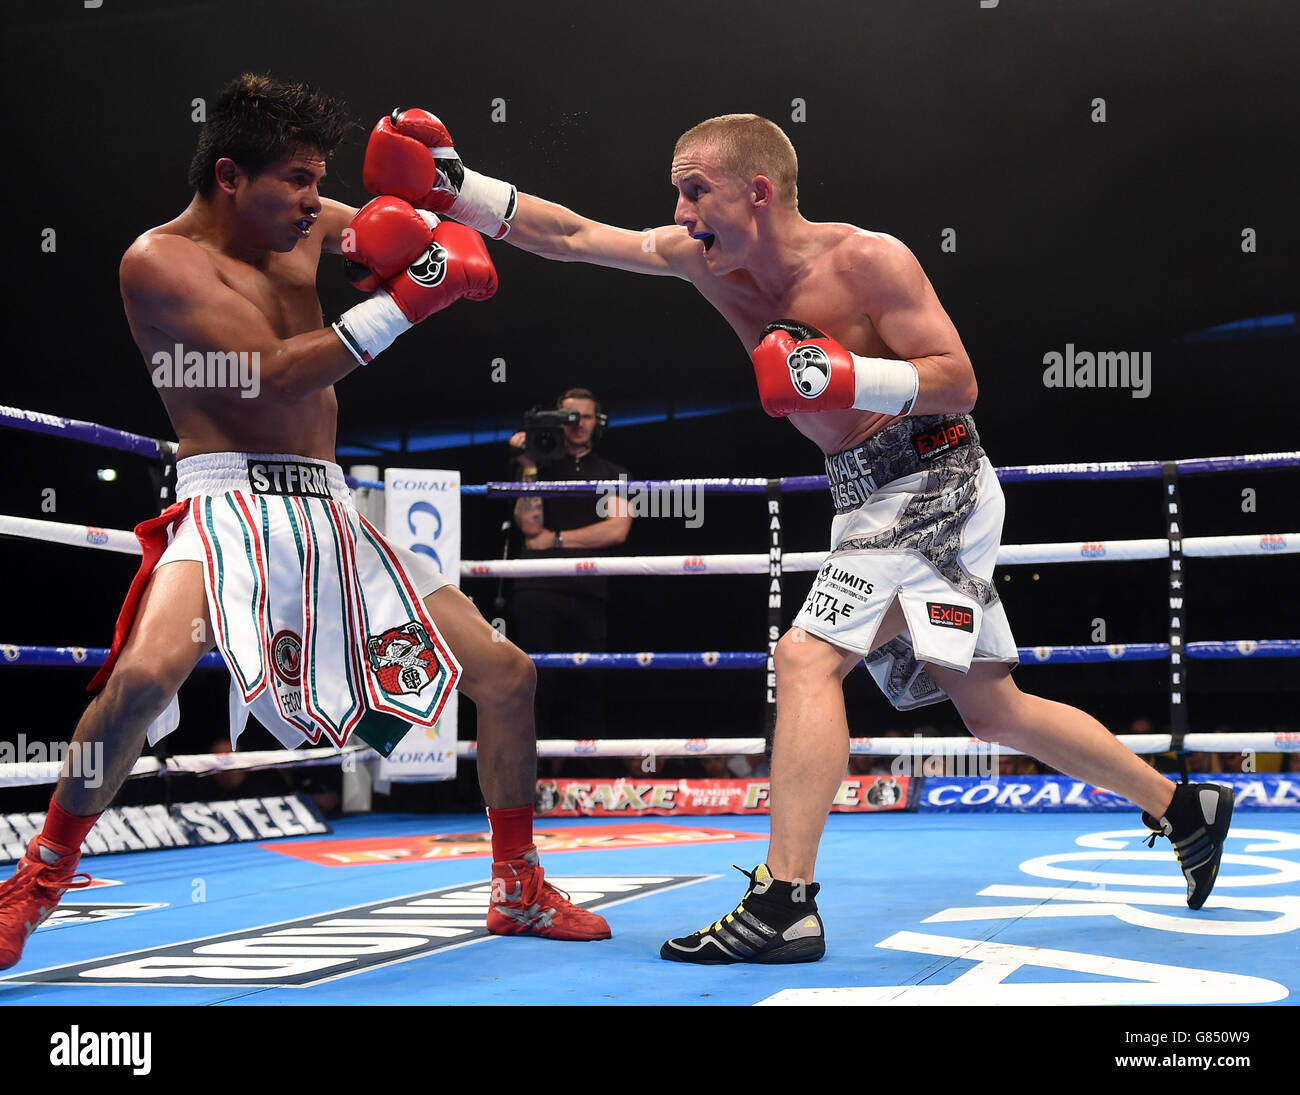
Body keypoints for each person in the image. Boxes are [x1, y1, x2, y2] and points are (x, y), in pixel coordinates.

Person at [361, 108, 1234, 964]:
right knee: (990, 706)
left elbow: (959, 382)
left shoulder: (869, 258)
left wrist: (843, 370)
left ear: (760, 191)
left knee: (807, 657)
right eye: (677, 196)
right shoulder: (704, 264)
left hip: (934, 472)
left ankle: (786, 901)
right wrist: (456, 186)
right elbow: (579, 235)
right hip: (860, 493)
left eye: (696, 192)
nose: (681, 215)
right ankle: (1183, 808)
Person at [0, 76, 610, 972]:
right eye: (296, 182)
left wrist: (436, 213)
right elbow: (275, 375)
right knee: (144, 678)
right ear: (228, 177)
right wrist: (408, 299)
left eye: (321, 182)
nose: (316, 205)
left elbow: (445, 239)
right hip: (226, 501)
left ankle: (516, 884)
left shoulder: (307, 221)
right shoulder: (158, 263)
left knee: (505, 675)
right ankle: (39, 879)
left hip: (327, 503)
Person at [507, 389, 631, 739]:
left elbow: (618, 528)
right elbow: (530, 527)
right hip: (538, 589)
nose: (577, 424)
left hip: (589, 591)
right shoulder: (537, 467)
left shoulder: (613, 472)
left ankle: (588, 780)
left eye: (586, 417)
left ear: (599, 423)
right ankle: (532, 784)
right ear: (556, 421)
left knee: (590, 687)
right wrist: (528, 465)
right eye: (569, 417)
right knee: (536, 685)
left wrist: (556, 539)